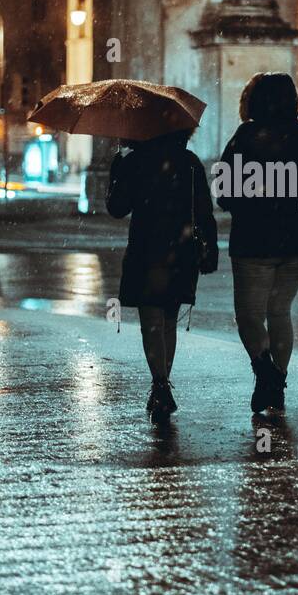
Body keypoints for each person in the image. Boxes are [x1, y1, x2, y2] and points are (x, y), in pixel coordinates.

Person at [218, 73, 298, 414]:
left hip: (253, 240)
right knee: (279, 311)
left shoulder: (243, 138)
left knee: (250, 316)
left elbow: (224, 195)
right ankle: (277, 385)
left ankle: (265, 373)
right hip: (296, 239)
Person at [106, 128, 218, 423]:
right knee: (168, 320)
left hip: (146, 249)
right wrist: (210, 249)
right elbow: (204, 211)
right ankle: (162, 383)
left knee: (151, 323)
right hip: (181, 251)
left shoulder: (135, 162)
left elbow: (116, 208)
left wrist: (117, 167)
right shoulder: (190, 161)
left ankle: (160, 384)